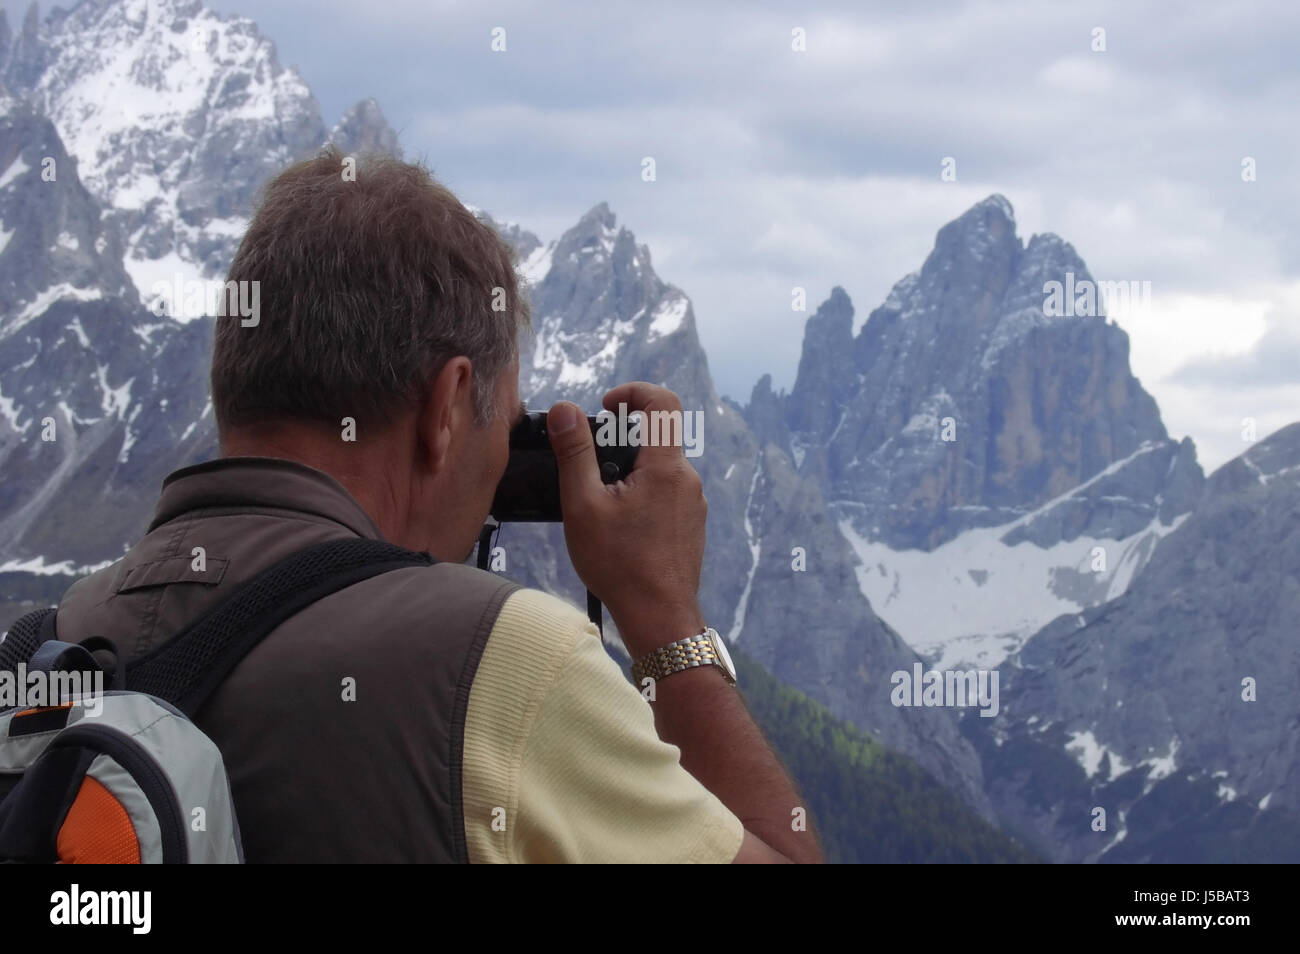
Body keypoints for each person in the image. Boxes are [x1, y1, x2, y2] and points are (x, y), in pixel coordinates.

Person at [54, 147, 822, 864]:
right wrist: (666, 619)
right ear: (448, 406)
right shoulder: (501, 662)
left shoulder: (53, 648)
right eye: (504, 429)